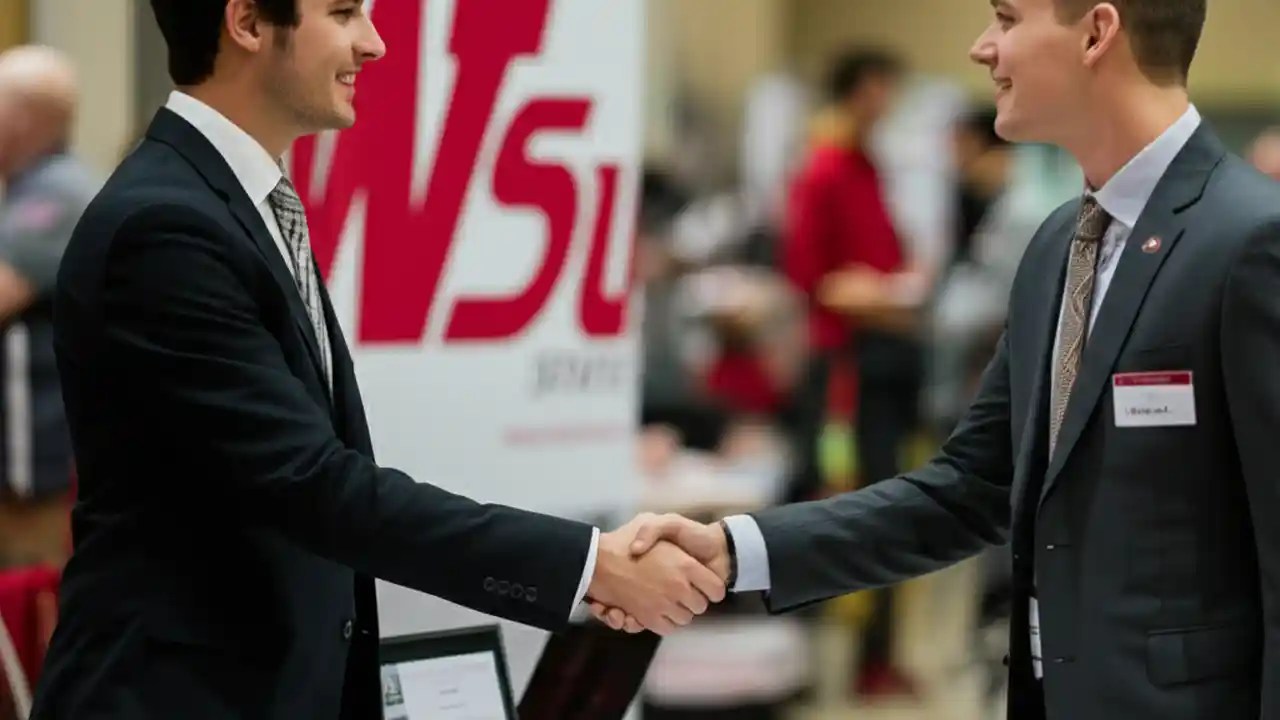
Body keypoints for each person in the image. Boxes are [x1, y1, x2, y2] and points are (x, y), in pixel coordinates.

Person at [31, 1, 726, 718]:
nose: (374, 43)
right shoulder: (166, 227)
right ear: (244, 22)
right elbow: (311, 484)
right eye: (342, 13)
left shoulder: (236, 203)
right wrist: (588, 568)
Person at [600, 0, 1280, 718]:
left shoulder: (1250, 242)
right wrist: (736, 549)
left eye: (1007, 19)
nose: (982, 48)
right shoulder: (1057, 247)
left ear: (1096, 31)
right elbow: (968, 489)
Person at [778, 47, 925, 697]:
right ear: (856, 90)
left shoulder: (868, 167)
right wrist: (880, 296)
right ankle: (818, 666)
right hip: (847, 369)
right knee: (845, 509)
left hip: (885, 362)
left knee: (892, 506)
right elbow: (813, 279)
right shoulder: (824, 170)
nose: (886, 101)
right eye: (879, 88)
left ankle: (874, 658)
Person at [0, 46, 97, 571]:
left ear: (22, 117)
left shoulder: (56, 196)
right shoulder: (24, 192)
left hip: (35, 472)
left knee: (31, 606)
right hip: (23, 465)